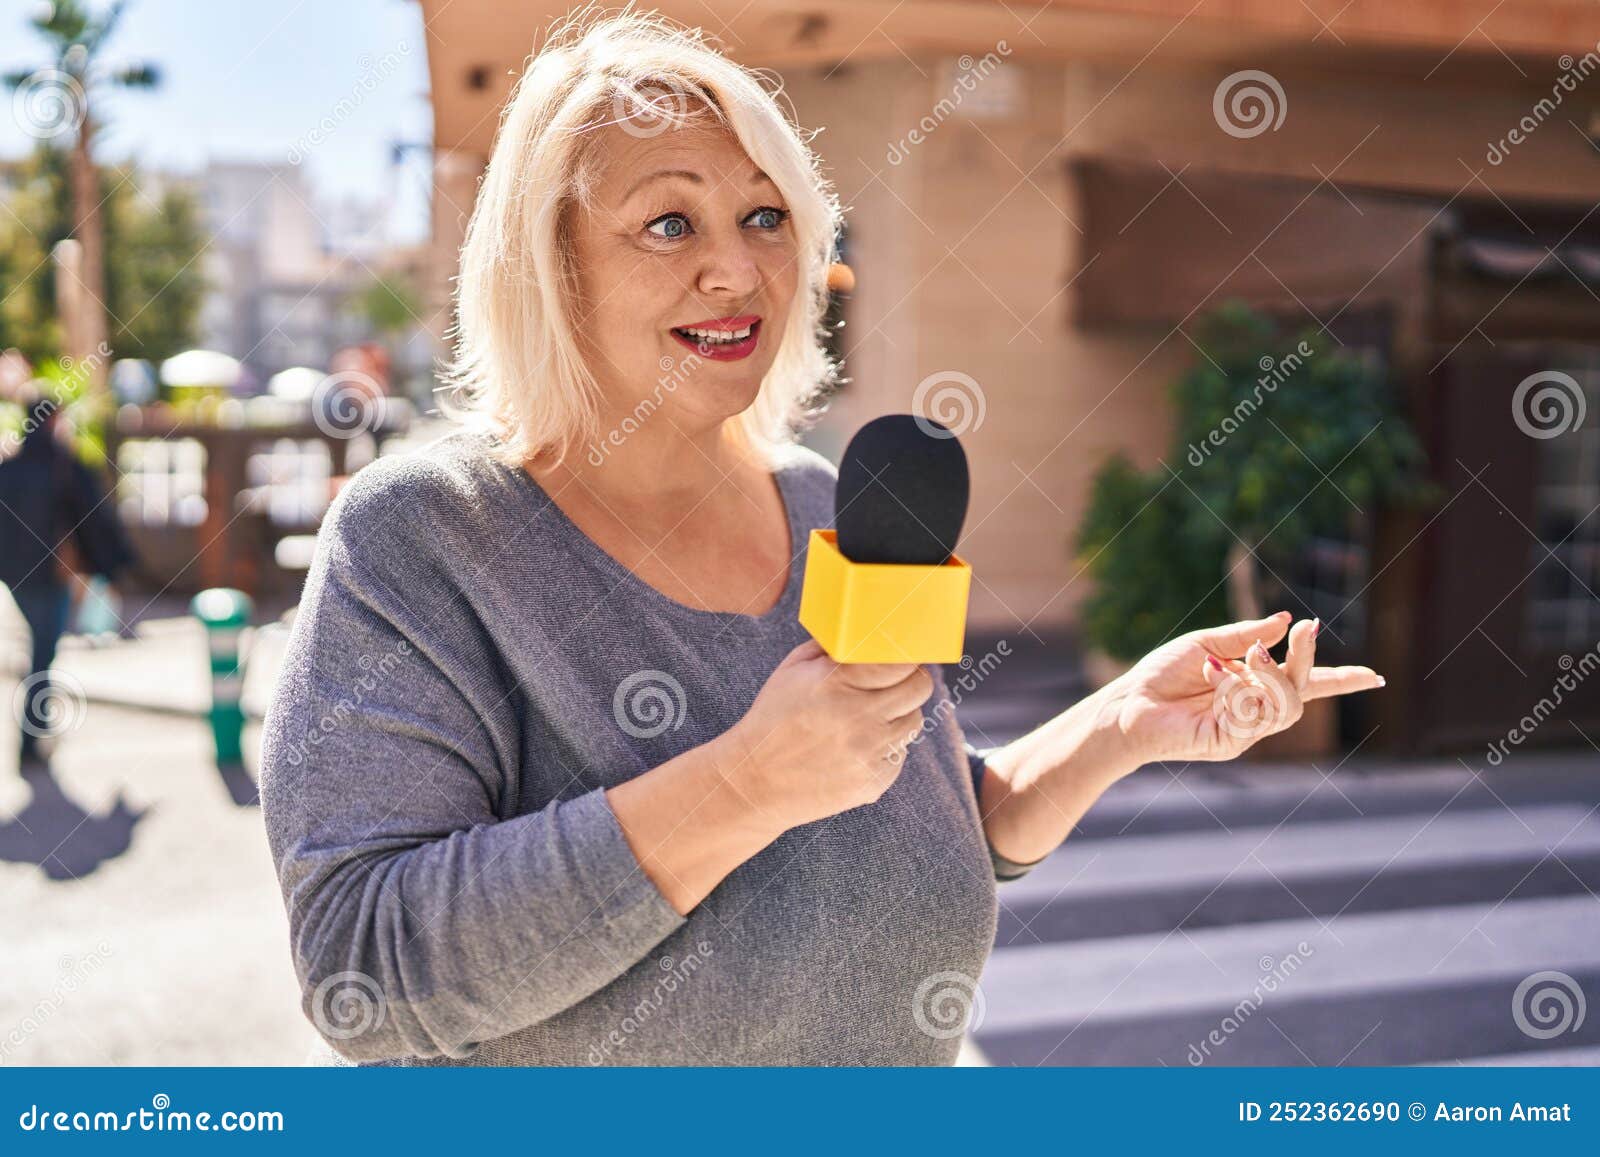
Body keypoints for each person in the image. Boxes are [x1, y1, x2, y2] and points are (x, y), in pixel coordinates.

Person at [258, 11, 1385, 1067]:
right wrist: (743, 781)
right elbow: (365, 970)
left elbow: (901, 808)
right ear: (549, 268)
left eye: (765, 215)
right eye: (667, 222)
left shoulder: (818, 505)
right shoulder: (426, 534)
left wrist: (1120, 724)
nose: (740, 269)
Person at [0, 378, 135, 767]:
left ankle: (33, 733)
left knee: (41, 650)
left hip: (16, 576)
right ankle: (30, 739)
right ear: (54, 418)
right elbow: (96, 519)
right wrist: (114, 564)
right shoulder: (64, 464)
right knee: (44, 652)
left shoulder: (10, 466)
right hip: (52, 575)